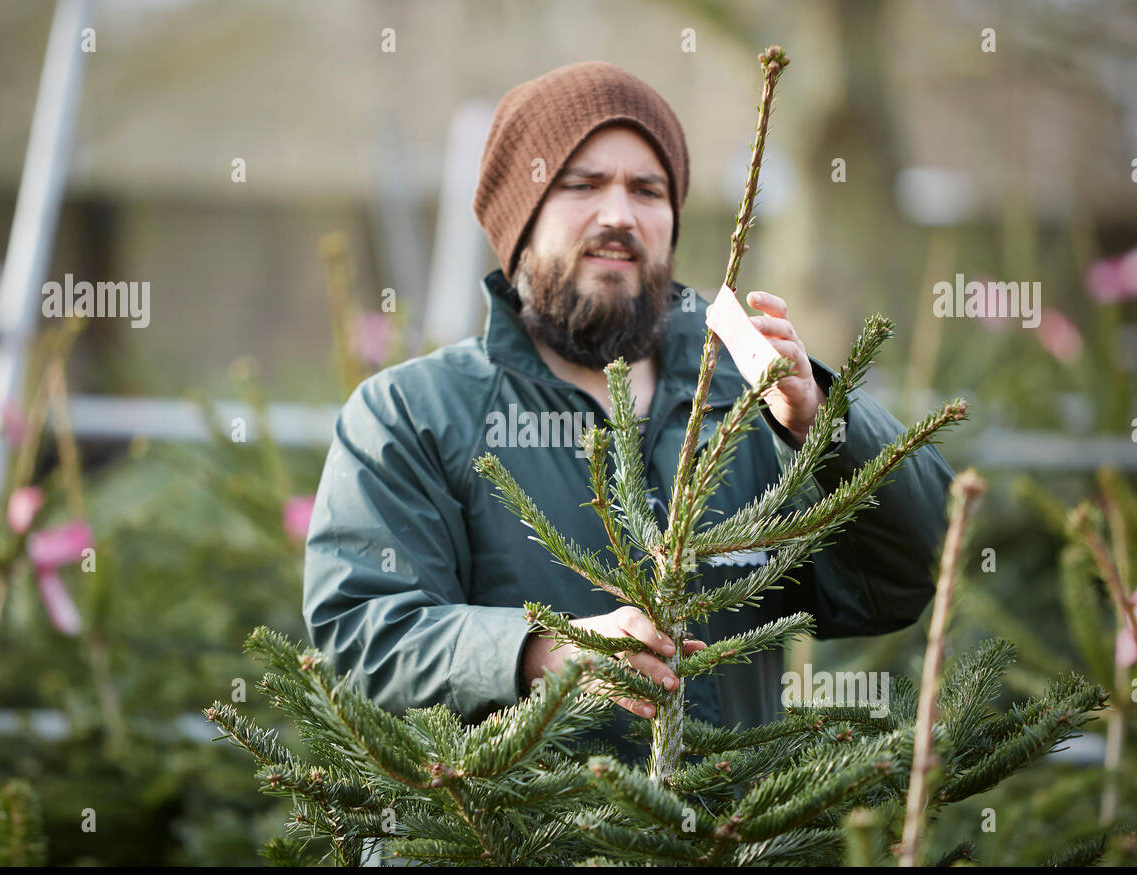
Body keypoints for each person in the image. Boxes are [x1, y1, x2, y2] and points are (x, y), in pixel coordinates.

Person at [303, 61, 955, 765]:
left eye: (647, 190)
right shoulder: (411, 413)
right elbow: (362, 633)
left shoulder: (752, 397)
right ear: (519, 223)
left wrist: (821, 421)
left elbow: (903, 580)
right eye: (582, 185)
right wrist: (540, 653)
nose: (619, 215)